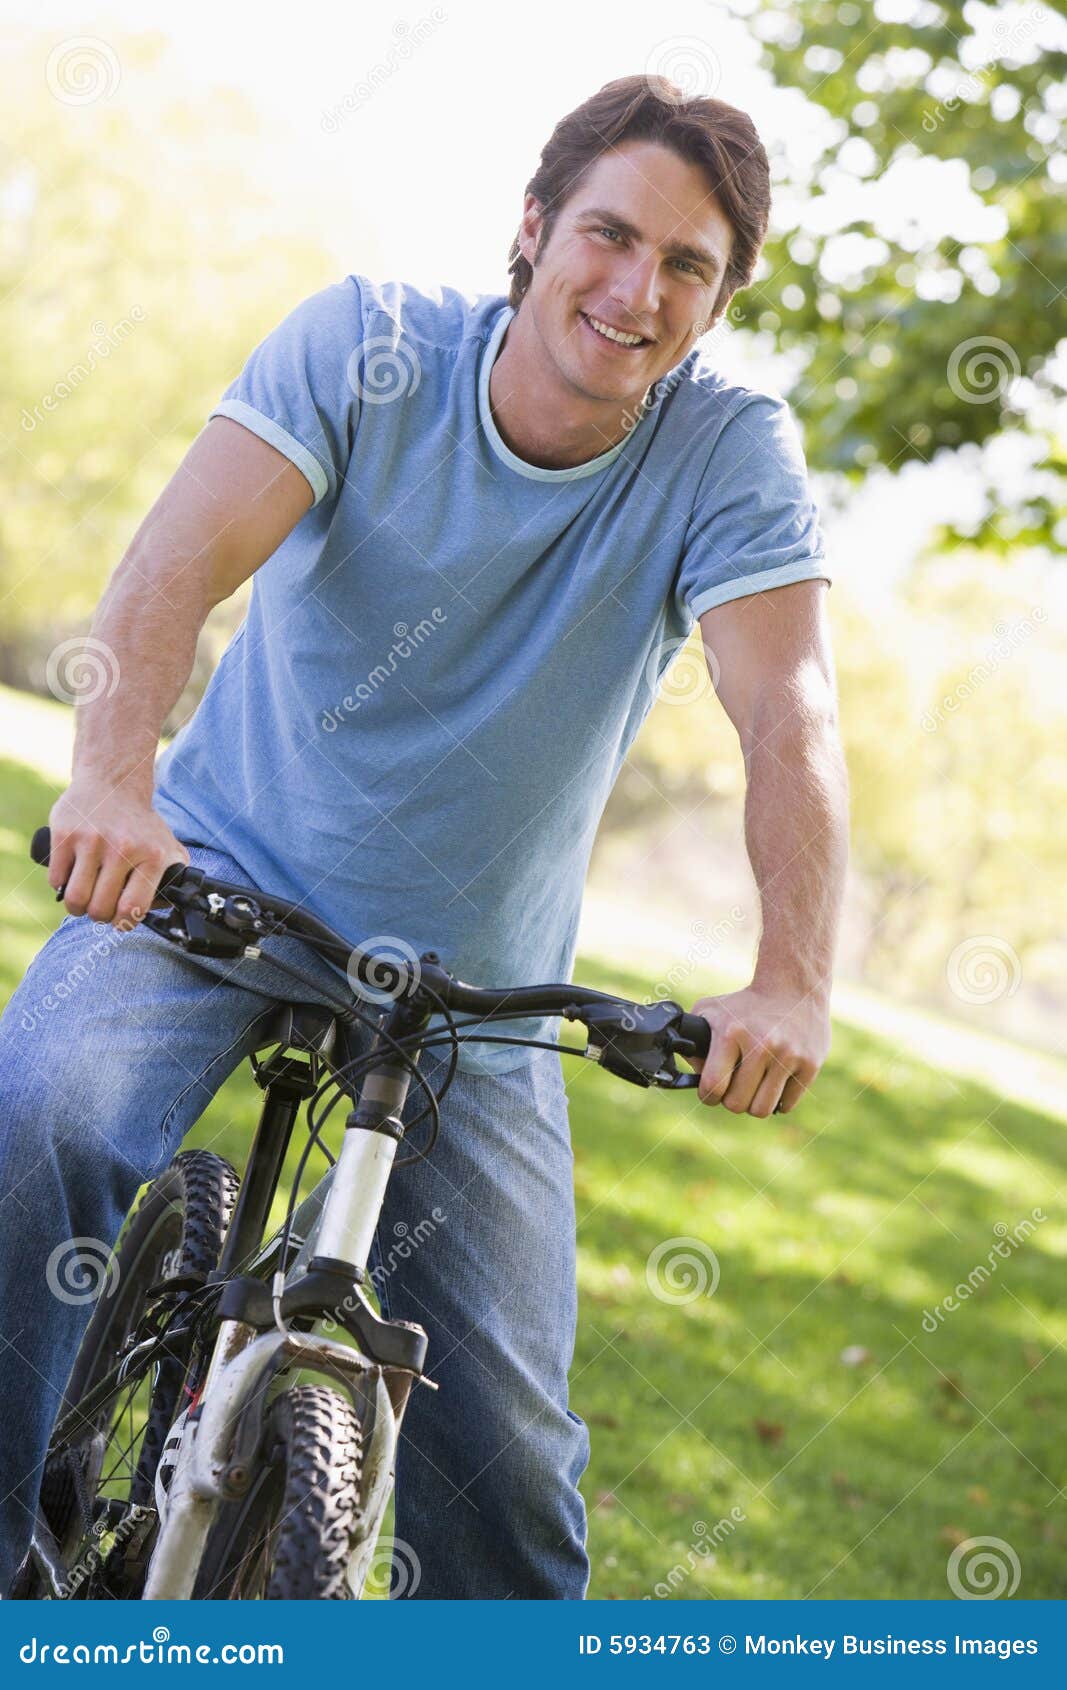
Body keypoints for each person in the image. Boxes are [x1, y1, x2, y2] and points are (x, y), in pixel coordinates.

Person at [0, 73, 848, 1598]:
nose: (635, 289)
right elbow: (171, 567)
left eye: (687, 267)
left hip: (480, 992)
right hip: (216, 886)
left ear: (718, 303)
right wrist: (115, 785)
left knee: (510, 1471)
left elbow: (787, 718)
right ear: (531, 230)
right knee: (45, 1114)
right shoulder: (368, 346)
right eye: (610, 235)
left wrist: (791, 977)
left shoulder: (727, 454)